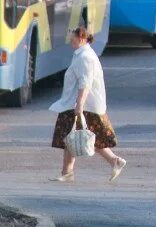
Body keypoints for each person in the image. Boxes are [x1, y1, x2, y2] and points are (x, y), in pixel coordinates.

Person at [49, 26, 126, 183]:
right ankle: (68, 171)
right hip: (79, 104)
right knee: (76, 137)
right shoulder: (81, 54)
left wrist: (80, 104)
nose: (70, 39)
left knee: (78, 137)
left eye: (73, 37)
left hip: (83, 105)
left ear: (82, 38)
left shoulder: (85, 57)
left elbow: (86, 83)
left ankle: (69, 172)